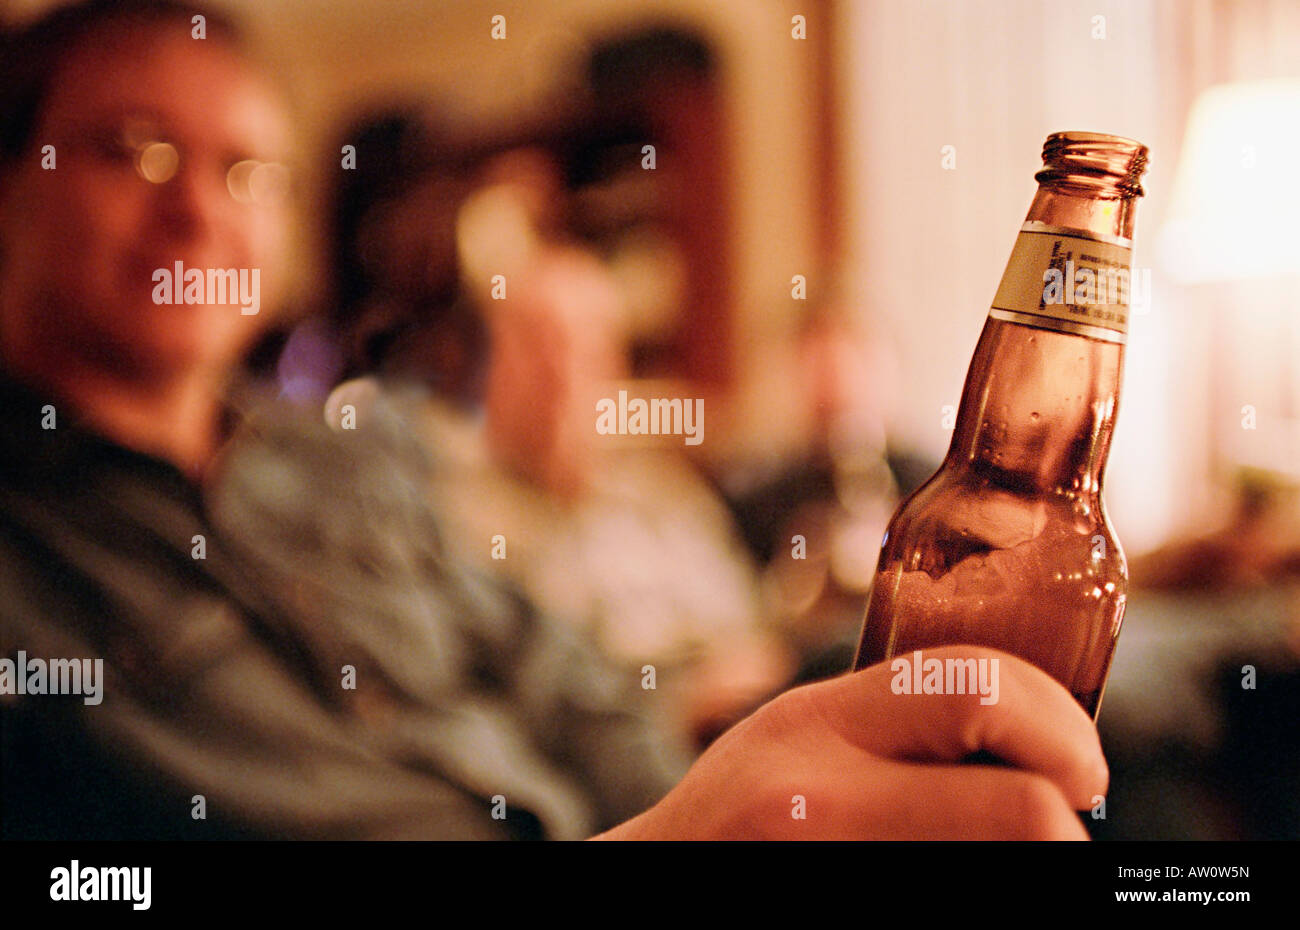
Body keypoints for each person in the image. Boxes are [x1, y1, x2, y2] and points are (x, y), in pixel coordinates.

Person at [0, 0, 1107, 840]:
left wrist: (703, 802)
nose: (198, 207)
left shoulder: (343, 462)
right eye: (134, 150)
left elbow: (574, 689)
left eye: (246, 170)